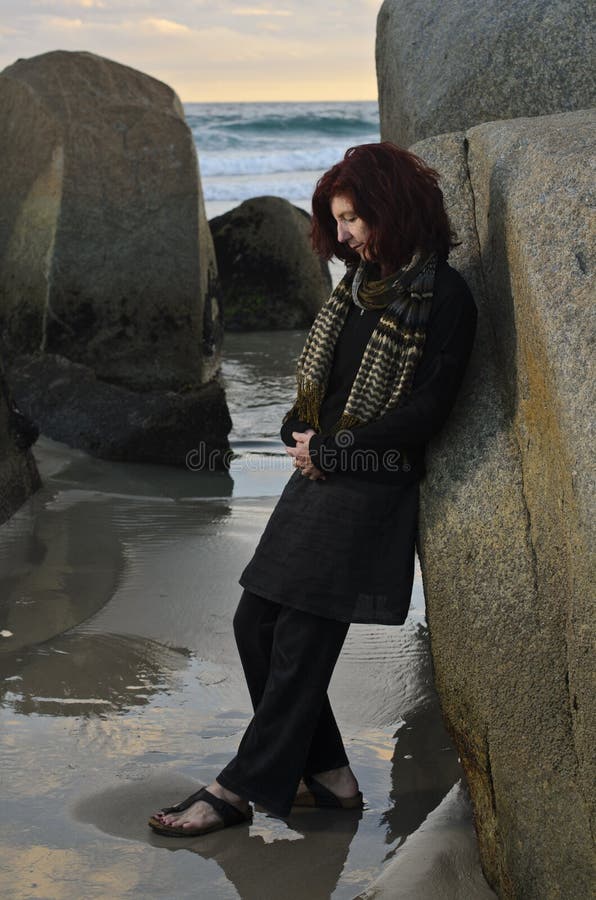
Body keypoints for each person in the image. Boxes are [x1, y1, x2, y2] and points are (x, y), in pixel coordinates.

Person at [148, 141, 478, 837]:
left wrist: (340, 448)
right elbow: (324, 382)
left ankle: (238, 788)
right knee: (254, 624)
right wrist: (302, 427)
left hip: (371, 488)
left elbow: (427, 410)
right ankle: (327, 773)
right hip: (320, 473)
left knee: (299, 635)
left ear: (395, 208)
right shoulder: (354, 290)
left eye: (357, 216)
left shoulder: (443, 296)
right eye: (340, 220)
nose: (349, 234)